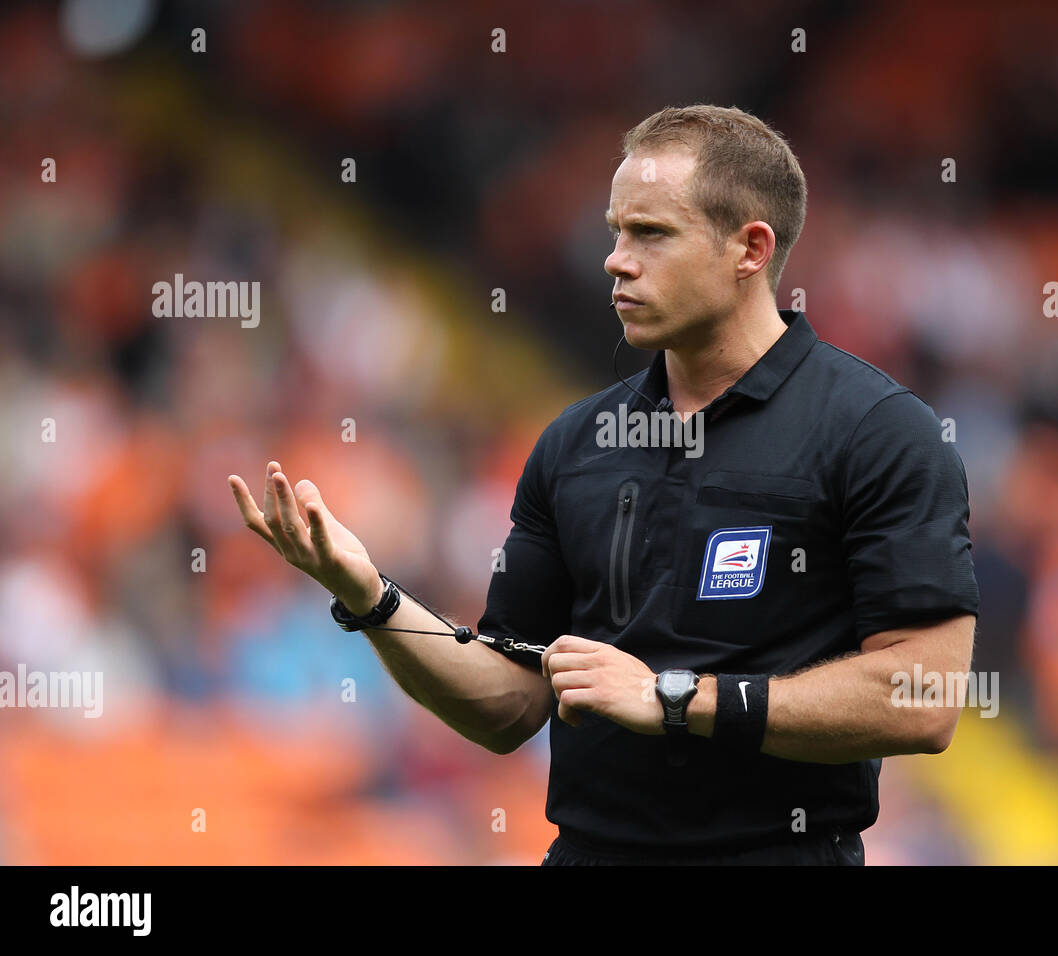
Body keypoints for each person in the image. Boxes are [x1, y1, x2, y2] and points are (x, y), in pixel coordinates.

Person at [228, 104, 979, 866]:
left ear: (750, 248)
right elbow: (510, 706)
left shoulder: (880, 432)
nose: (617, 259)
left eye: (651, 233)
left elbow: (923, 697)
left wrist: (678, 699)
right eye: (616, 230)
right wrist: (370, 598)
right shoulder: (574, 444)